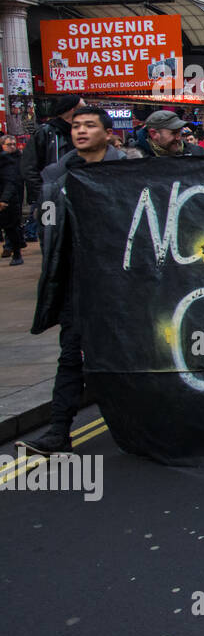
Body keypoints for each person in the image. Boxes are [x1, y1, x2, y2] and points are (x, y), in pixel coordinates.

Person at [17, 107, 125, 455]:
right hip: (76, 283)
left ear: (109, 133)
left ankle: (146, 425)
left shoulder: (130, 171)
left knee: (125, 357)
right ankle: (59, 432)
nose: (81, 131)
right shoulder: (56, 174)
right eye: (76, 125)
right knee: (70, 358)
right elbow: (49, 225)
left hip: (122, 285)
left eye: (90, 125)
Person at [21, 95, 80, 208]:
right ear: (73, 110)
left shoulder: (81, 134)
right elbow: (29, 168)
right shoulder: (46, 132)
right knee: (50, 224)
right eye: (82, 108)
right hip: (50, 201)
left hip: (77, 199)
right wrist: (44, 195)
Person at [136, 110, 203, 157]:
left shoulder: (197, 153)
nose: (179, 137)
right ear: (154, 134)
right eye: (174, 133)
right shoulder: (134, 157)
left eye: (179, 132)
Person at [1, 133, 24, 265]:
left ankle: (16, 252)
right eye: (9, 144)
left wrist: (5, 199)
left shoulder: (16, 158)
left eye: (14, 144)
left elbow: (11, 181)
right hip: (8, 196)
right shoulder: (3, 159)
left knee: (11, 227)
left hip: (12, 198)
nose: (12, 147)